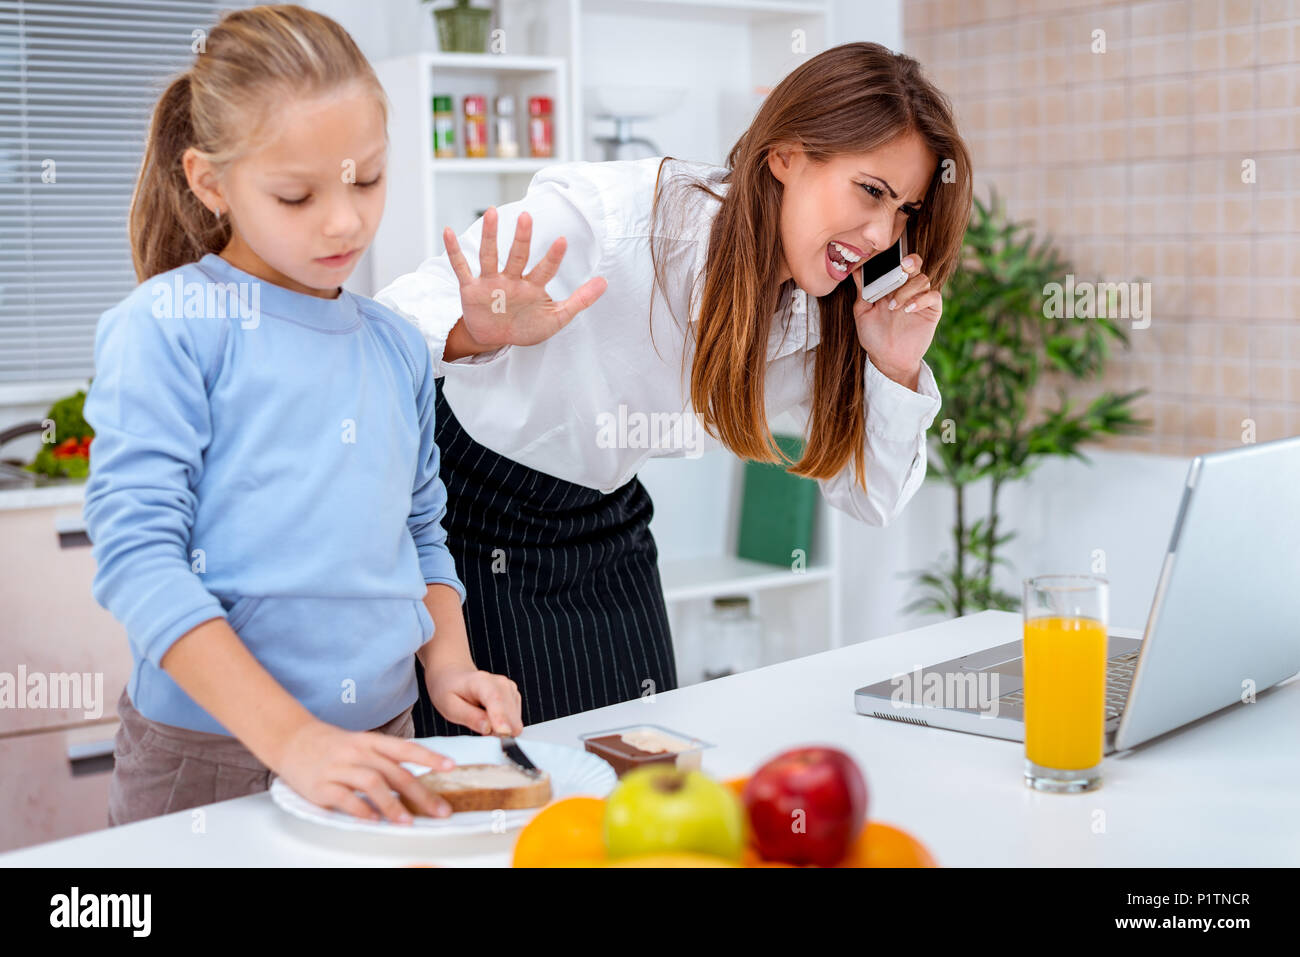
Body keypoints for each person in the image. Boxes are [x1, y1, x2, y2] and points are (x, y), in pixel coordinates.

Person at [376, 42, 974, 736]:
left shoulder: (826, 311)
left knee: (646, 777)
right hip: (467, 519)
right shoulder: (605, 221)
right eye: (870, 190)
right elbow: (378, 340)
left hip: (604, 522)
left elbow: (871, 498)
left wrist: (895, 368)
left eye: (905, 211)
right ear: (785, 154)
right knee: (494, 796)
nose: (880, 234)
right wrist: (477, 333)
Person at [82, 5, 521, 827]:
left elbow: (421, 531)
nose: (345, 220)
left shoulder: (393, 346)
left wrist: (448, 663)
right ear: (212, 183)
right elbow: (139, 558)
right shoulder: (169, 325)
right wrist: (295, 740)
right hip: (208, 757)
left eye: (367, 179)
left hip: (380, 737)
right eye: (296, 193)